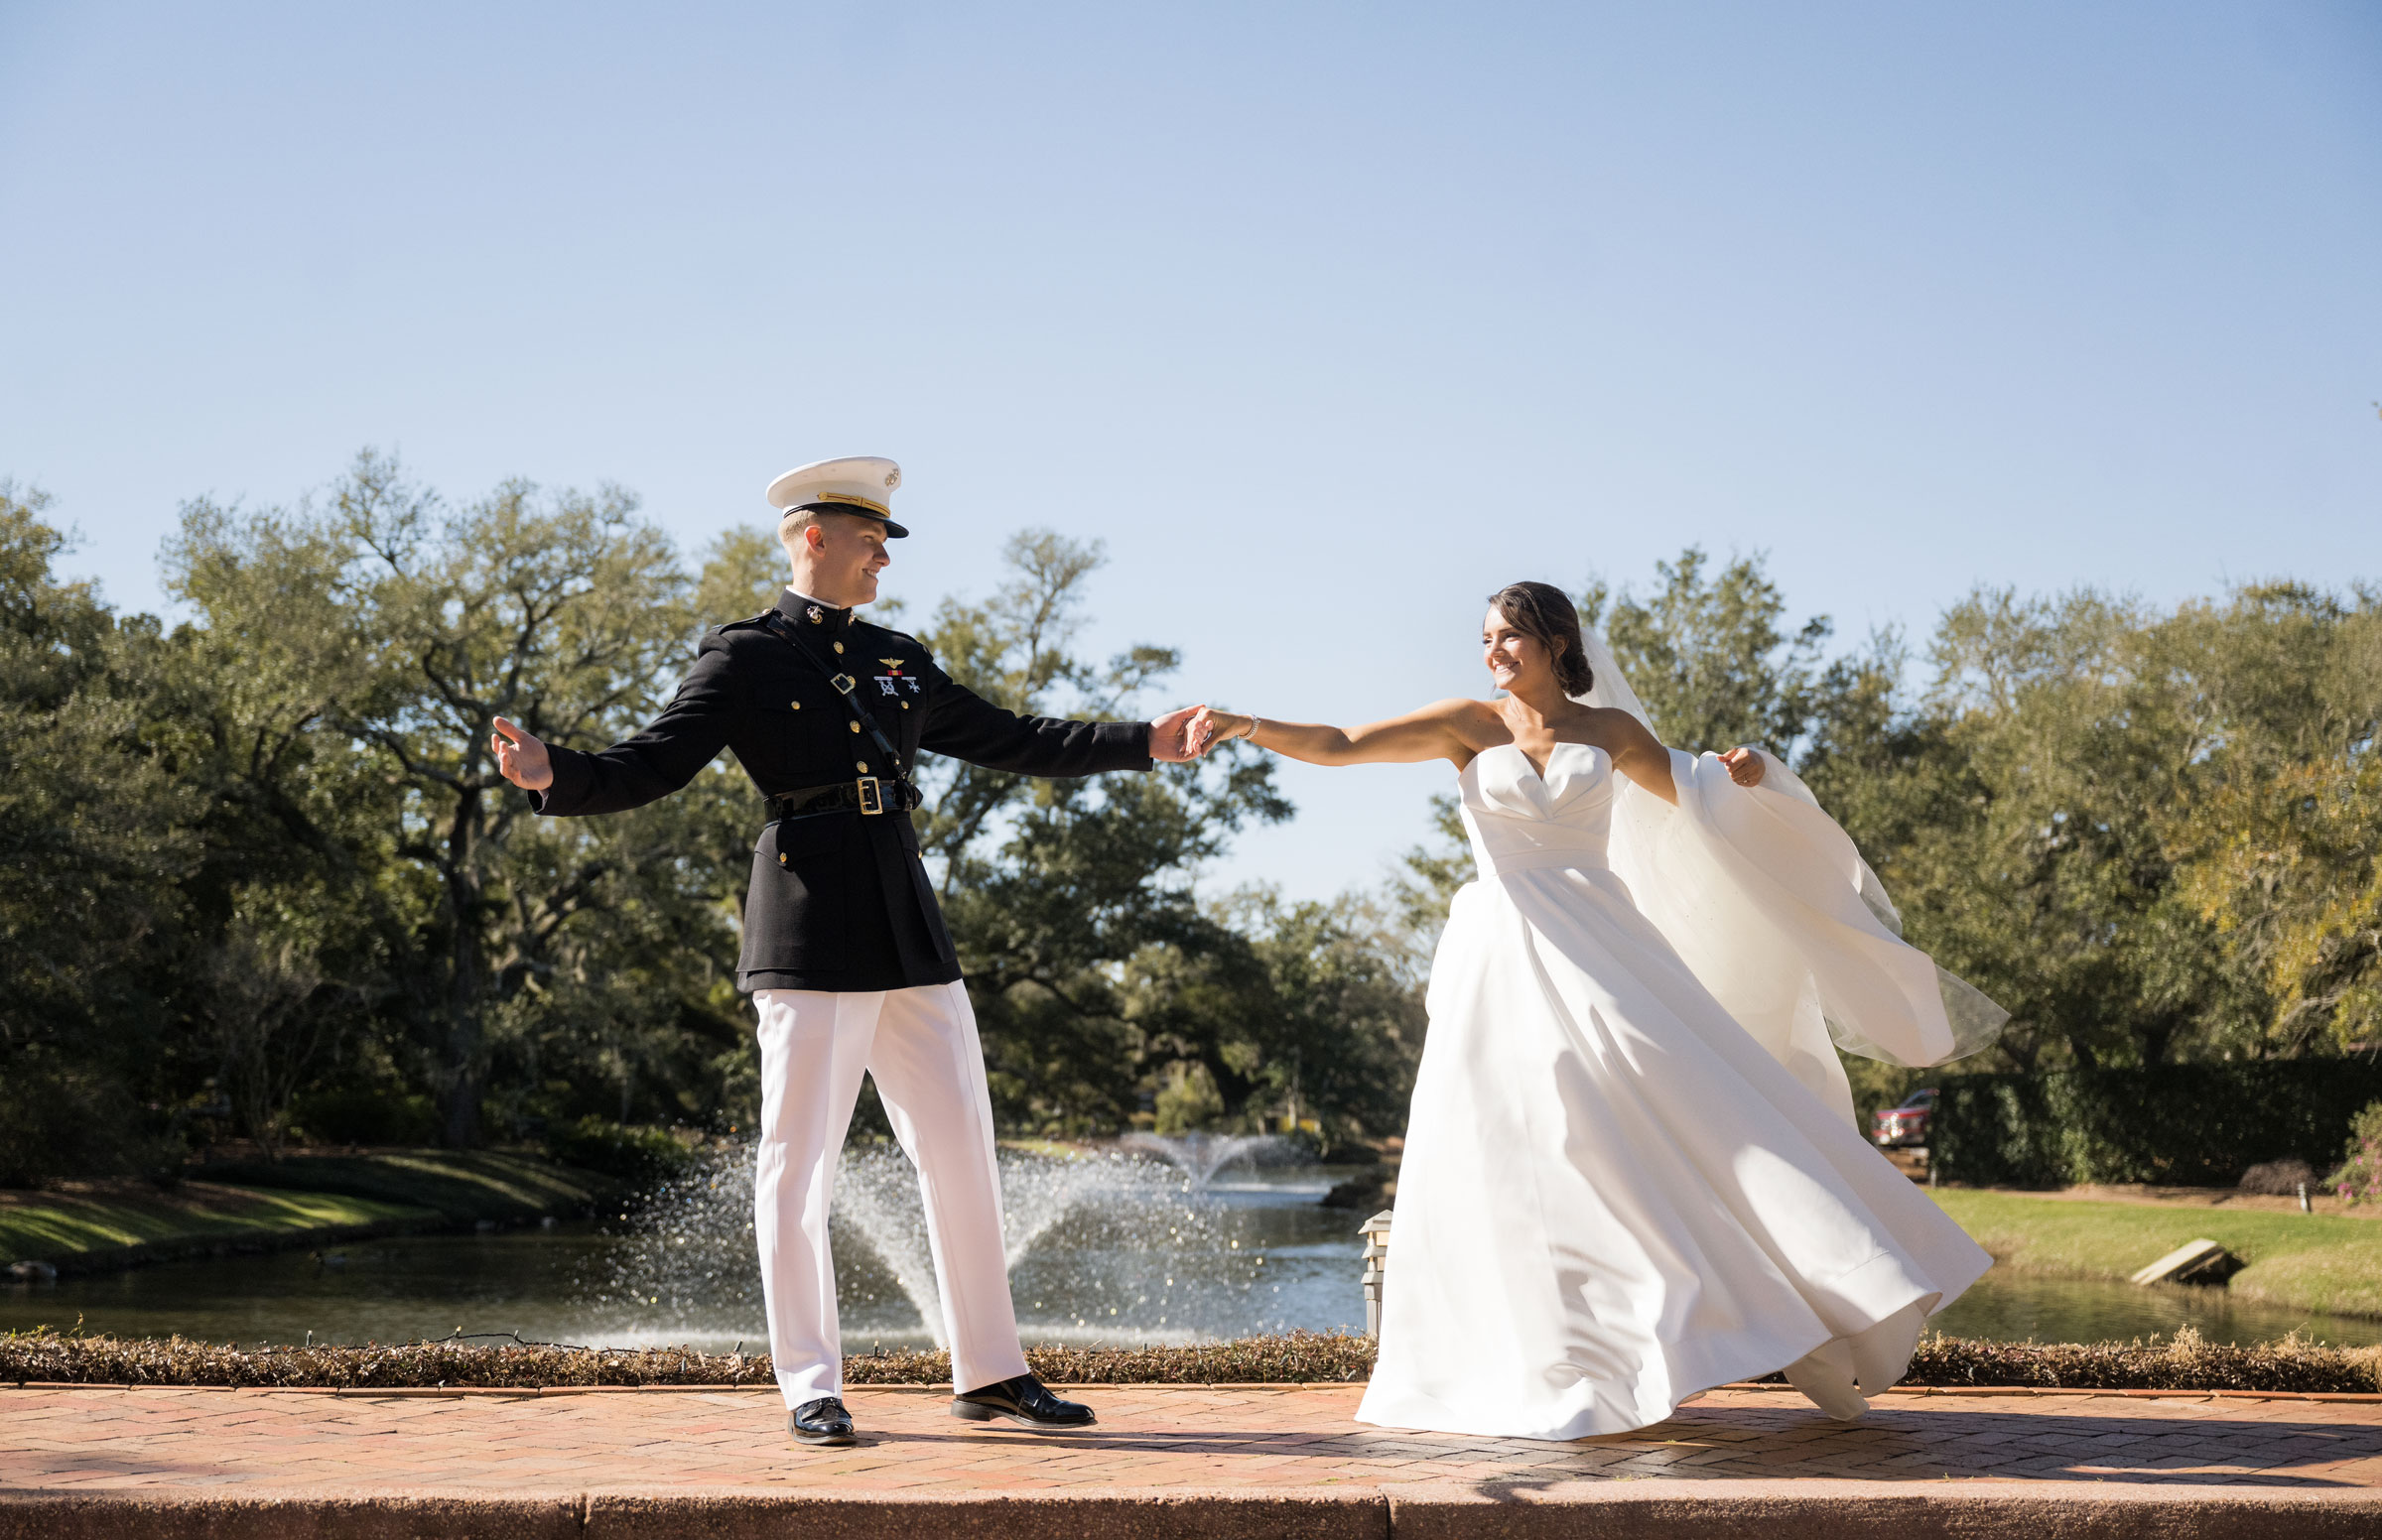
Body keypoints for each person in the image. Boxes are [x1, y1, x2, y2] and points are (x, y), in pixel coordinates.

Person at [490, 456, 1202, 1448]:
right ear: (811, 537)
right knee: (799, 1166)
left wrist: (1143, 742)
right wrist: (552, 774)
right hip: (807, 919)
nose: (884, 560)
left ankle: (992, 1372)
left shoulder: (900, 658)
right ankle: (811, 1384)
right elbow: (651, 762)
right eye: (871, 542)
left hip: (907, 920)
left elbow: (1014, 736)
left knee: (962, 1154)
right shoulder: (744, 657)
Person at [1187, 581, 2001, 1439]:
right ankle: (1567, 1359)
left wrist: (1750, 780)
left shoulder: (1606, 732)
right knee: (1525, 1139)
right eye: (1487, 638)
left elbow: (1694, 794)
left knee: (1688, 1106)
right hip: (1504, 948)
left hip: (1607, 943)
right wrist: (1245, 726)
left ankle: (1813, 1289)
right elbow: (1342, 742)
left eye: (1510, 637)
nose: (1494, 650)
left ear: (1554, 642)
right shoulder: (1468, 725)